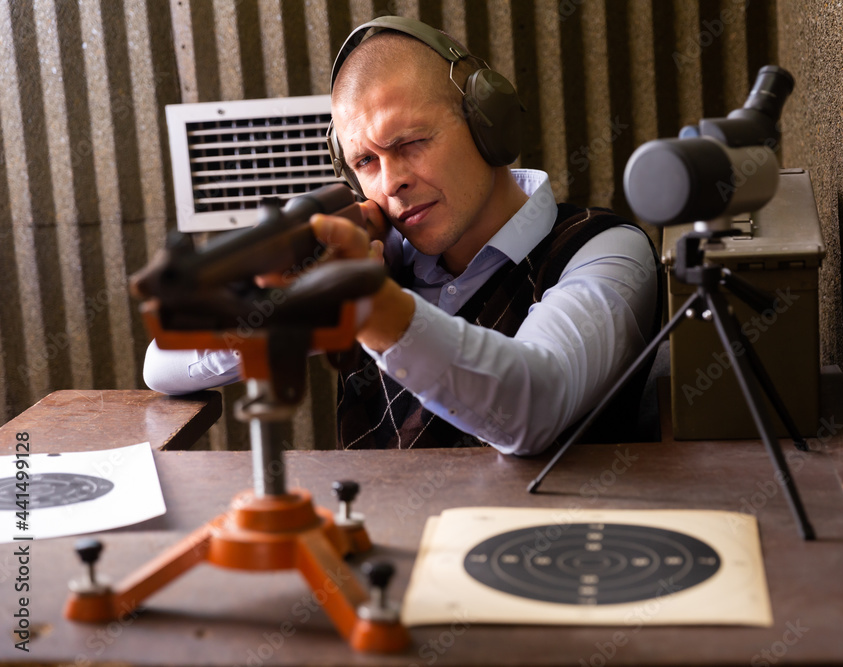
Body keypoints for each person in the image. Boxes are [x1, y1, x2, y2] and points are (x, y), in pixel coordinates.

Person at [143, 17, 659, 456]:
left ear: (487, 123)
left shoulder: (606, 251)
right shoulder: (377, 254)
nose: (391, 183)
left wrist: (373, 309)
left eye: (411, 142)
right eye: (366, 161)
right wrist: (296, 304)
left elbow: (534, 407)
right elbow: (163, 364)